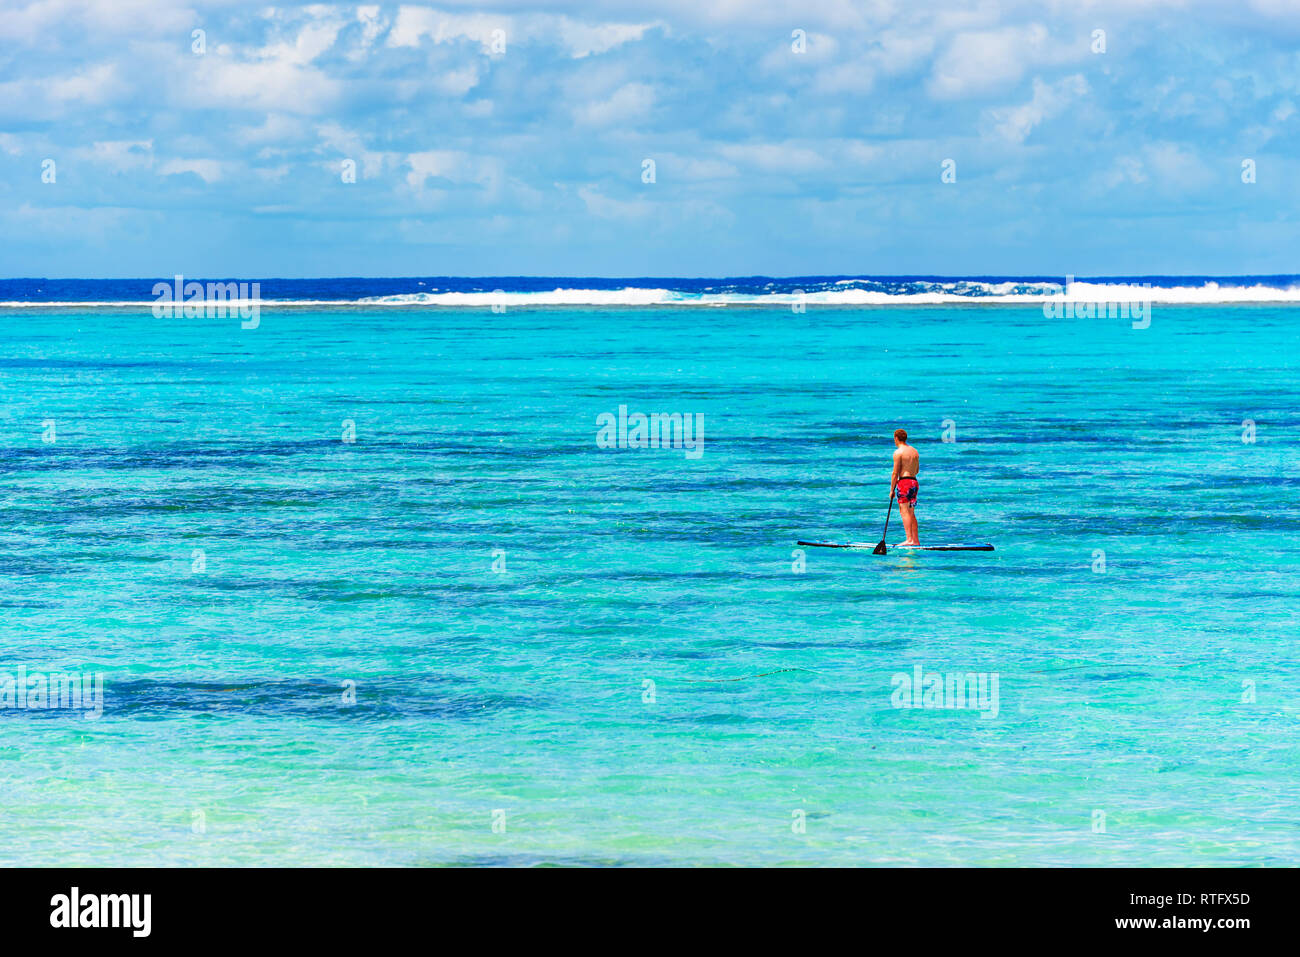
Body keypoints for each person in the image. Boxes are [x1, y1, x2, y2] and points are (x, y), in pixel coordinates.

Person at [889, 429, 920, 545]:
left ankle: (909, 539)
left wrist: (892, 490)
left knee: (904, 511)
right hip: (914, 482)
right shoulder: (914, 451)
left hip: (904, 482)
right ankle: (915, 540)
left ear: (896, 438)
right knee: (911, 512)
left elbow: (895, 473)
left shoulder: (898, 452)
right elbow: (917, 470)